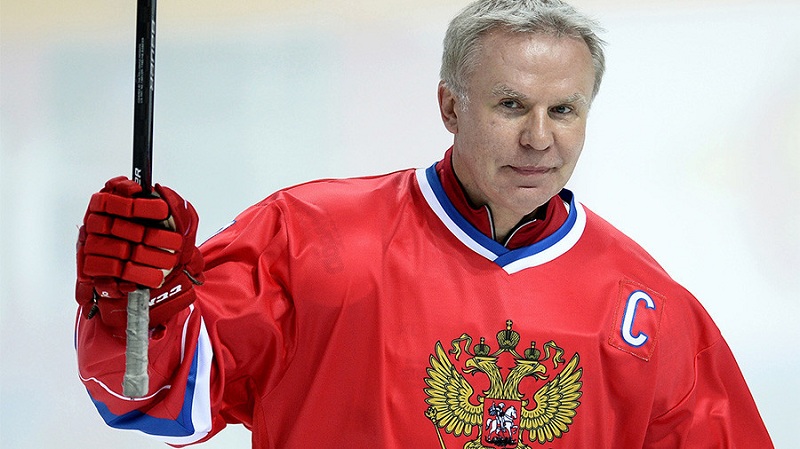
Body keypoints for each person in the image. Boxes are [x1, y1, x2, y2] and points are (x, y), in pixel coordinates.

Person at [74, 0, 774, 447]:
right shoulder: (308, 237)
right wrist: (139, 301)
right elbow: (153, 399)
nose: (540, 138)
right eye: (510, 105)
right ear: (450, 106)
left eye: (563, 110)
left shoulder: (647, 306)